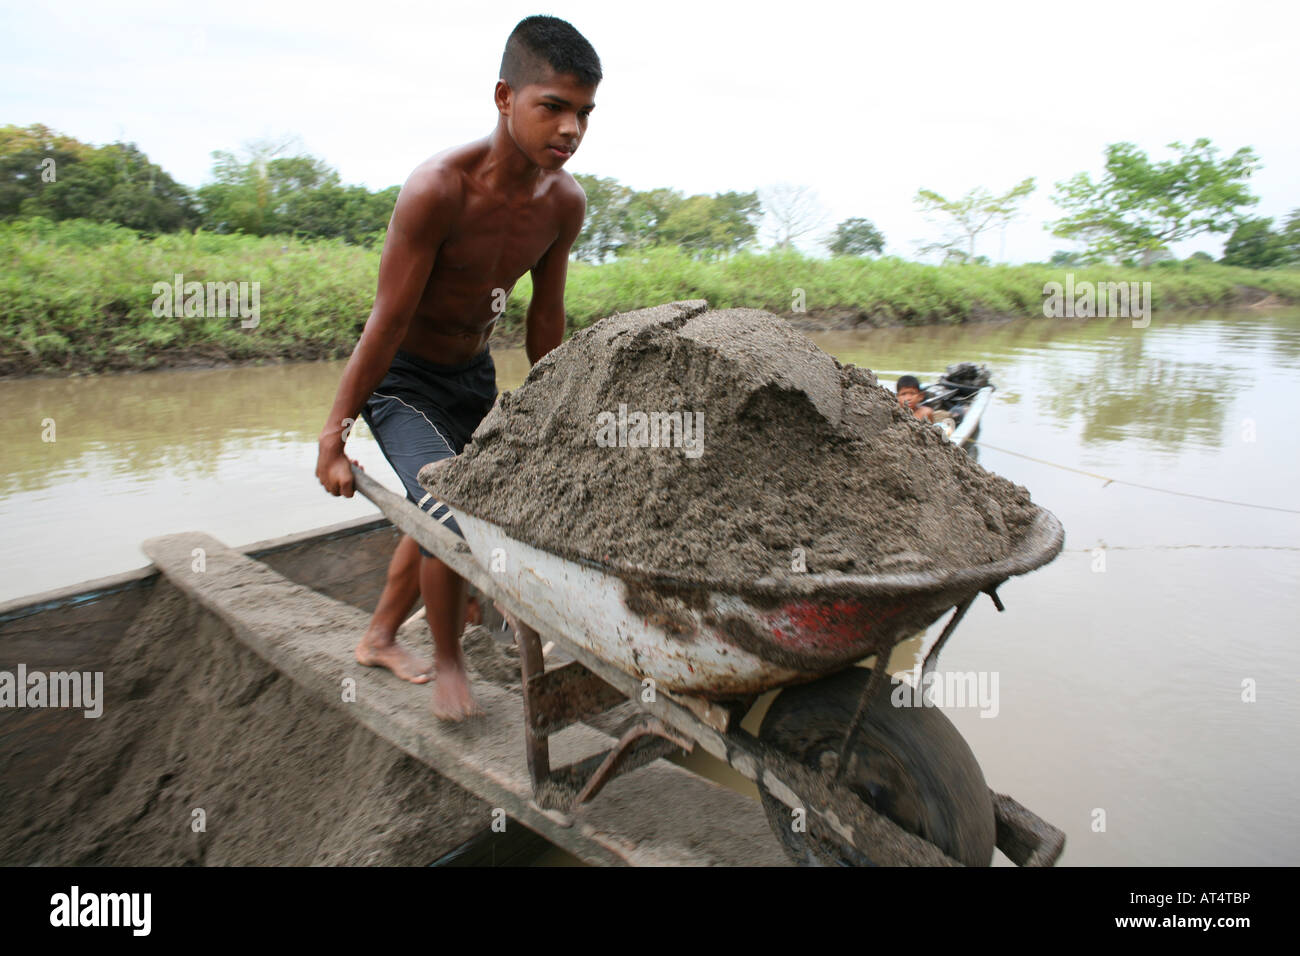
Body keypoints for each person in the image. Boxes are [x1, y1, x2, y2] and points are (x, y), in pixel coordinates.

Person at [315, 15, 600, 720]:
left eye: (584, 114)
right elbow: (384, 322)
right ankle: (449, 663)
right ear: (505, 98)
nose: (570, 129)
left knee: (459, 505)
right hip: (405, 384)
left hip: (472, 379)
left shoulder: (563, 203)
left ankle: (380, 635)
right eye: (553, 107)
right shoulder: (438, 189)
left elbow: (544, 317)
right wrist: (335, 433)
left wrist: (557, 404)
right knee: (446, 515)